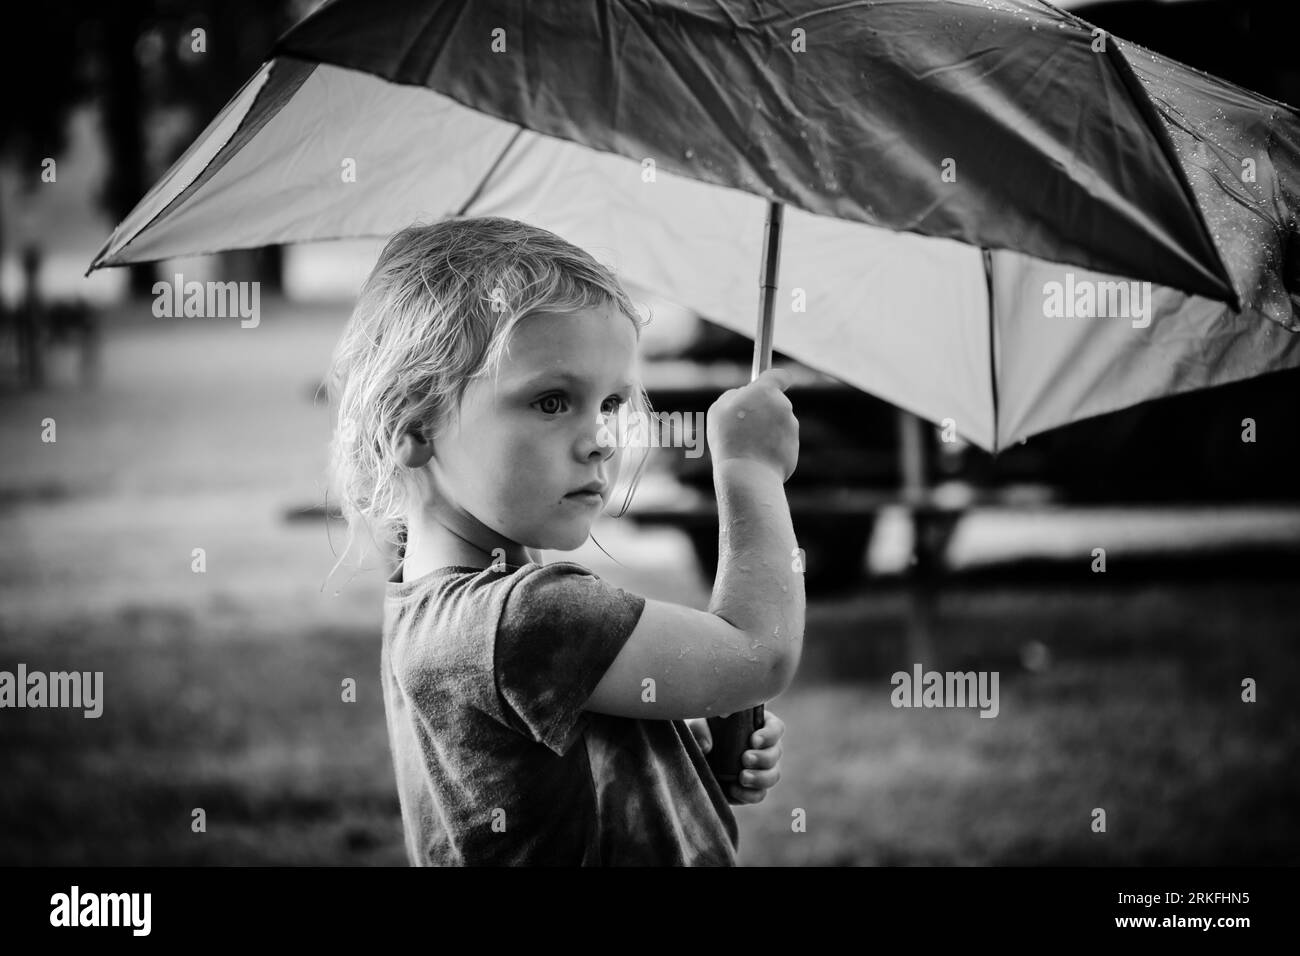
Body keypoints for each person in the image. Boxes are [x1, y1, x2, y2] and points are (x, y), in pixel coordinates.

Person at [324, 216, 804, 865]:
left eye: (611, 404)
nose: (602, 438)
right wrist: (752, 470)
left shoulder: (431, 605)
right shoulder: (530, 616)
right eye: (553, 402)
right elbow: (759, 653)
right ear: (414, 424)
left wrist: (679, 748)